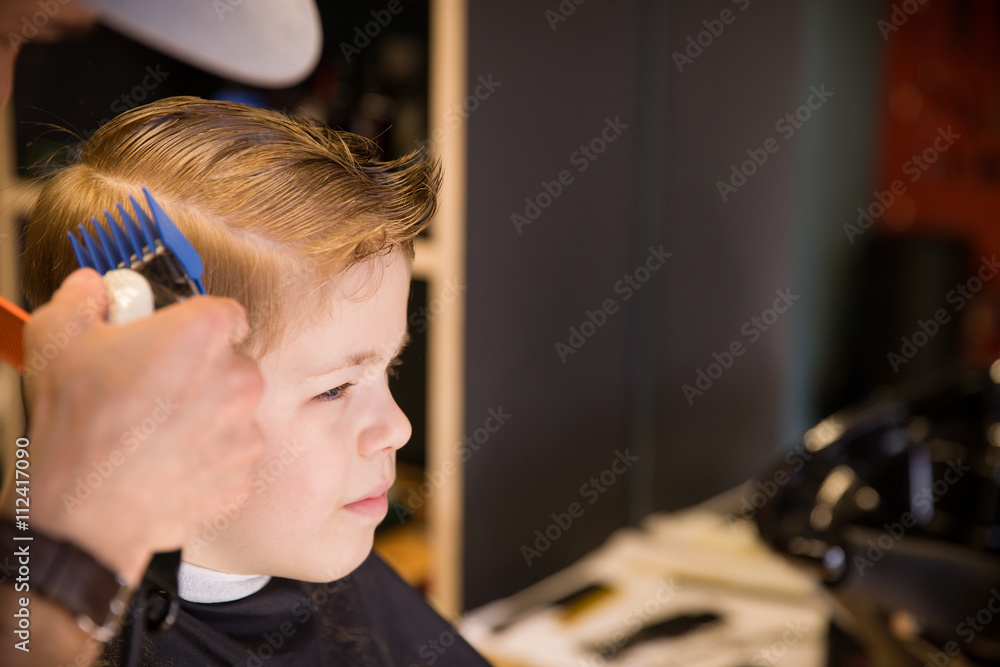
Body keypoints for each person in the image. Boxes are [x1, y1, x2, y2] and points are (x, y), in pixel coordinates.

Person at [9, 95, 490, 666]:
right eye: (334, 389)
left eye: (392, 368)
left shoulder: (315, 563)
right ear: (156, 410)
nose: (398, 429)